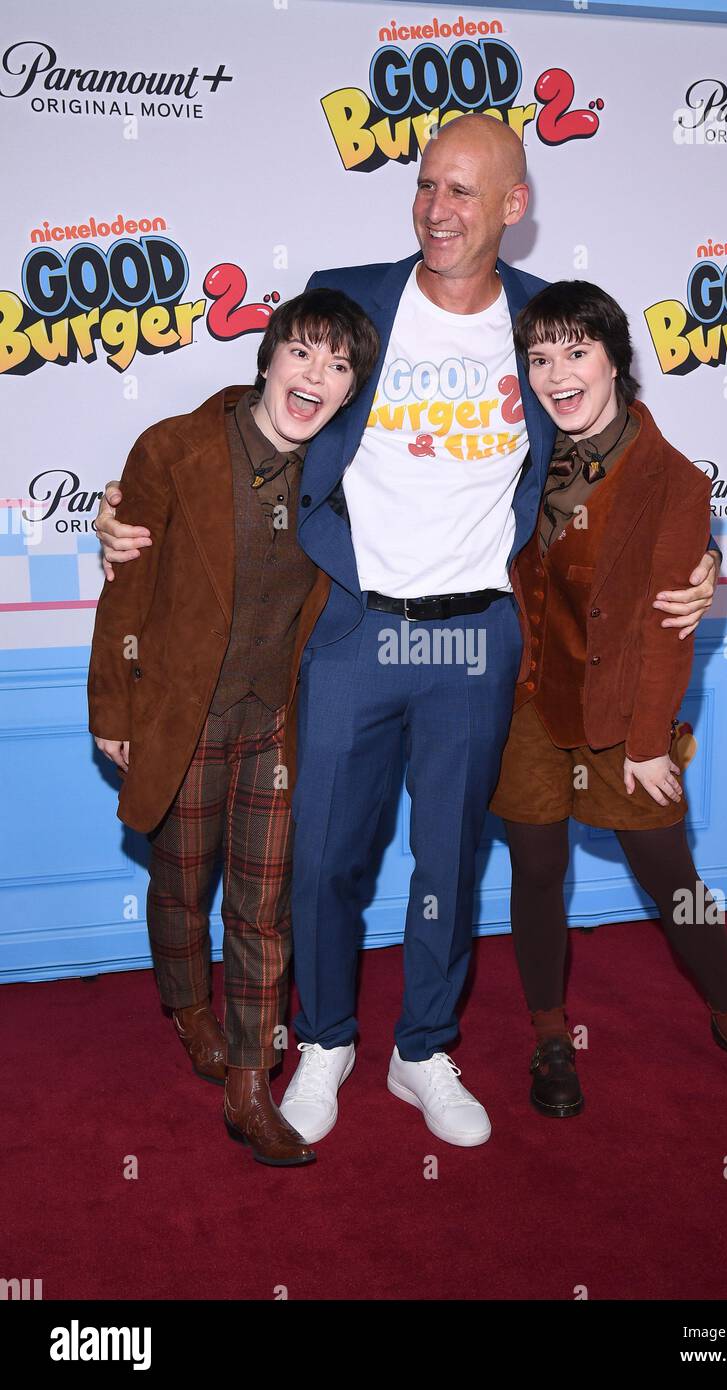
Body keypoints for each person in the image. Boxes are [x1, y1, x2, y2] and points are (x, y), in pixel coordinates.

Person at [94, 115, 722, 1150]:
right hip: (351, 628)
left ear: (513, 209)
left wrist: (700, 560)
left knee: (446, 861)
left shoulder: (538, 322)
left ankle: (422, 1046)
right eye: (428, 184)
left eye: (464, 191)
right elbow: (260, 399)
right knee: (321, 859)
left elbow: (628, 443)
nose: (437, 207)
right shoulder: (356, 294)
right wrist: (137, 495)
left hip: (476, 639)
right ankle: (326, 1037)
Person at [489, 279, 727, 1117]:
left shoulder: (671, 480)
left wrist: (644, 744)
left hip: (620, 715)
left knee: (670, 879)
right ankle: (549, 1034)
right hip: (528, 701)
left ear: (613, 361)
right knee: (534, 869)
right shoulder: (523, 449)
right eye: (539, 357)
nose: (557, 374)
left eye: (576, 352)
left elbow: (671, 628)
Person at [87, 288, 379, 1166]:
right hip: (185, 712)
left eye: (338, 367)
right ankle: (185, 1005)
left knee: (262, 908)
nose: (315, 377)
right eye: (302, 354)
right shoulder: (172, 447)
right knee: (181, 882)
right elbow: (125, 587)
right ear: (267, 358)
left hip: (279, 723)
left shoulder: (341, 474)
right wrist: (115, 707)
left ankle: (251, 1084)